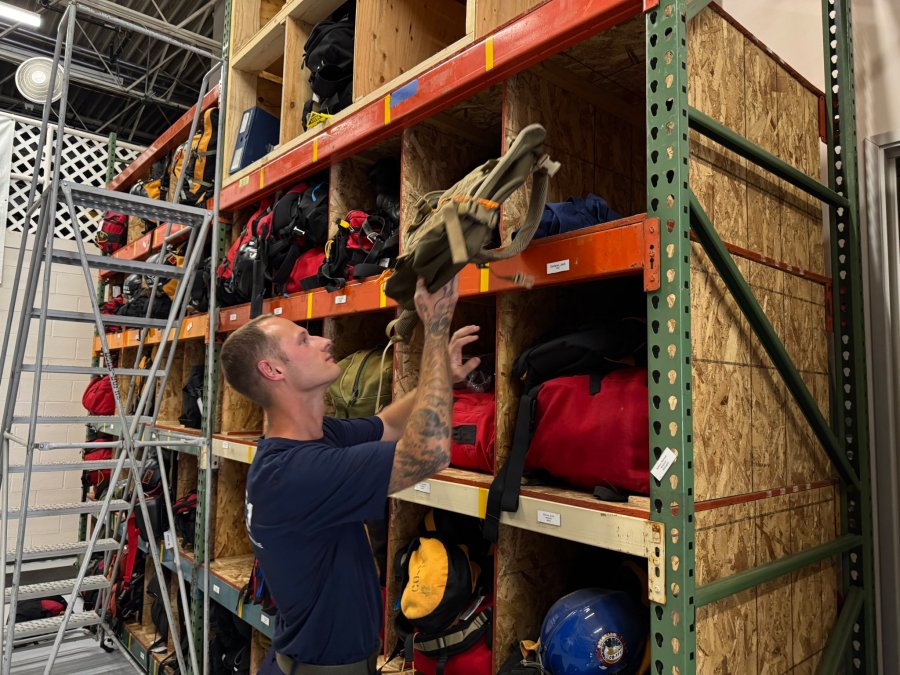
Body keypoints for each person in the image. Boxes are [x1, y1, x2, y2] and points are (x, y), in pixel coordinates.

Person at [219, 275, 480, 675]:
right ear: (273, 370)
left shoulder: (314, 442)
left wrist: (439, 375)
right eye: (304, 341)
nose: (324, 342)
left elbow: (386, 425)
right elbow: (429, 453)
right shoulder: (296, 474)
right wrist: (438, 323)